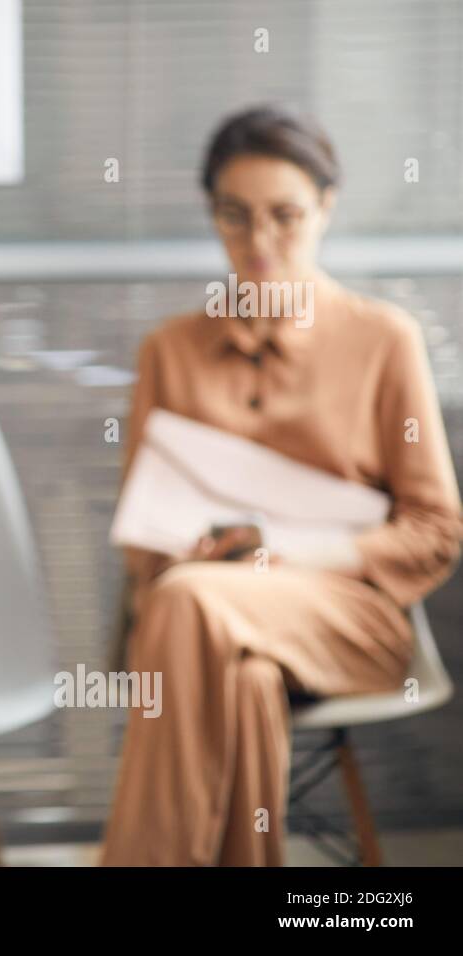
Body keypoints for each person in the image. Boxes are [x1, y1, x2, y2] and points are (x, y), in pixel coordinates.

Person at [99, 105, 463, 866]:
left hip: (344, 619)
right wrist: (181, 553)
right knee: (243, 681)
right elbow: (144, 554)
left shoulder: (382, 338)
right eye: (235, 218)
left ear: (326, 208)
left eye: (285, 217)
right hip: (200, 625)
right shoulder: (170, 350)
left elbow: (436, 533)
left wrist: (283, 545)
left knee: (192, 600)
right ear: (212, 216)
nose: (258, 245)